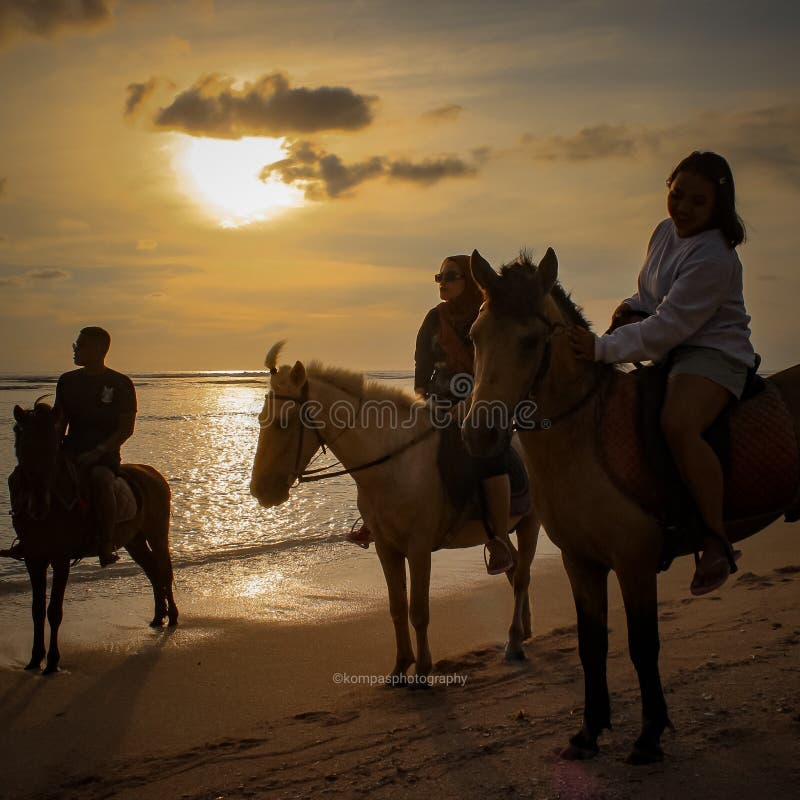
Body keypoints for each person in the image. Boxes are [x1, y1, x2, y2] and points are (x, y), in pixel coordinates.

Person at [568, 151, 755, 595]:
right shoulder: (663, 232)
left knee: (679, 424)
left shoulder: (714, 256)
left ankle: (715, 539)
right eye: (677, 195)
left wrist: (601, 348)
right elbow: (651, 297)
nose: (684, 208)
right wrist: (628, 309)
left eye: (698, 201)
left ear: (717, 208)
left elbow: (671, 325)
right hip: (670, 351)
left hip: (713, 352)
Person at [347, 256, 515, 575]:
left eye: (450, 276)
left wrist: (469, 404)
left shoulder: (490, 318)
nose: (442, 282)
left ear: (469, 280)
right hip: (435, 405)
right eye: (439, 276)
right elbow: (421, 369)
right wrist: (422, 403)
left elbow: (493, 368)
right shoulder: (433, 319)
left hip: (479, 405)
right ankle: (376, 521)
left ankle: (499, 539)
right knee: (392, 446)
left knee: (489, 455)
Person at [54, 327, 137, 566]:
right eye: (75, 345)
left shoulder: (120, 383)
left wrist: (97, 452)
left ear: (99, 349)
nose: (75, 350)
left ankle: (106, 543)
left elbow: (125, 429)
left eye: (79, 346)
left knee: (101, 480)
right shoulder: (67, 381)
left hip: (104, 455)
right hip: (71, 451)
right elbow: (60, 423)